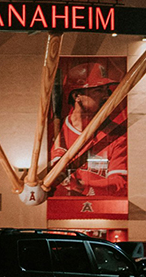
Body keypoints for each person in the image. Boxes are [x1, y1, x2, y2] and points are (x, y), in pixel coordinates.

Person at [51, 60, 128, 200]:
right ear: (77, 96)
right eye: (98, 90)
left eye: (106, 91)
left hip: (104, 209)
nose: (106, 96)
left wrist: (80, 185)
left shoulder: (117, 135)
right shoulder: (56, 132)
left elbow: (119, 185)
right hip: (61, 208)